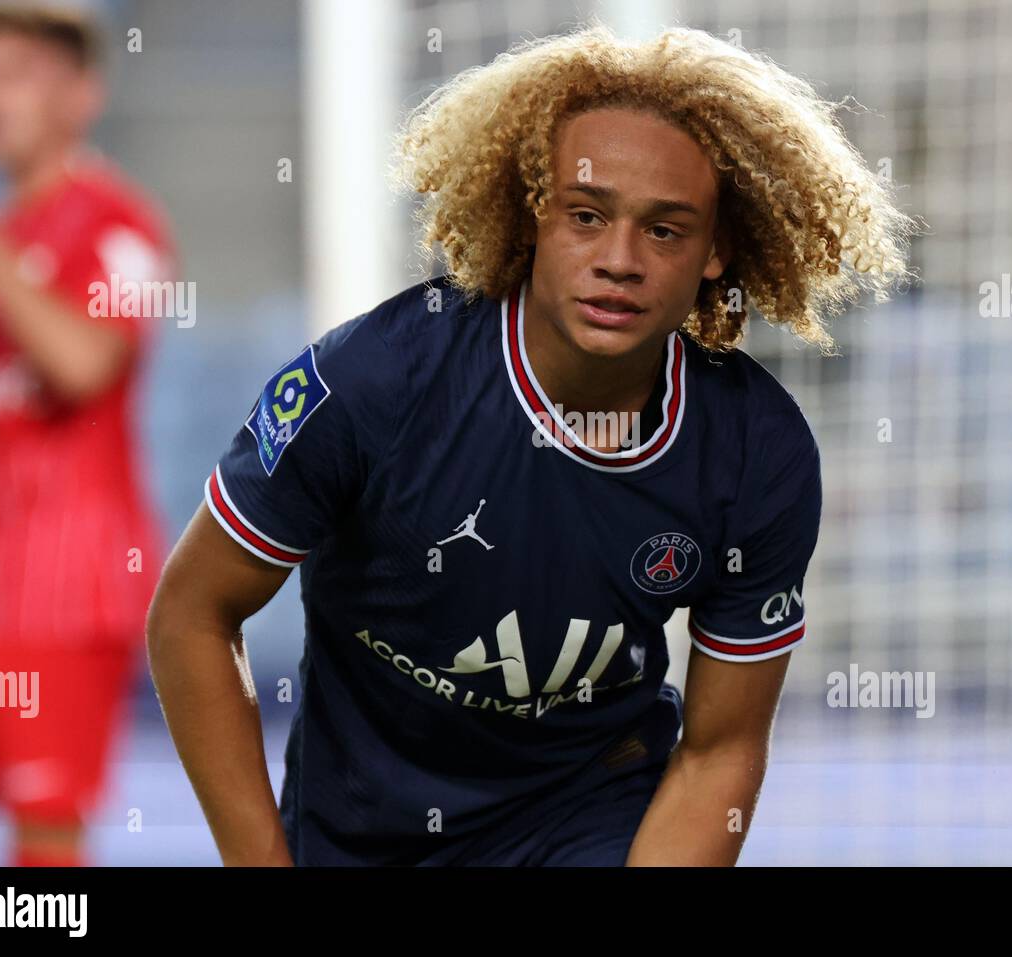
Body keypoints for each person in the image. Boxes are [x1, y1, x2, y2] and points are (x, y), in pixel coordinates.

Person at [147, 22, 915, 866]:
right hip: (359, 834)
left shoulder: (756, 452)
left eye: (665, 230)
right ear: (532, 216)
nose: (620, 260)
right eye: (587, 216)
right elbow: (192, 613)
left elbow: (718, 752)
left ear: (715, 251)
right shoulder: (379, 380)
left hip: (585, 817)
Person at [0, 2, 174, 867]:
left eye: (12, 76)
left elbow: (82, 361)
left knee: (43, 855)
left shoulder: (119, 227)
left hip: (69, 594)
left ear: (80, 95)